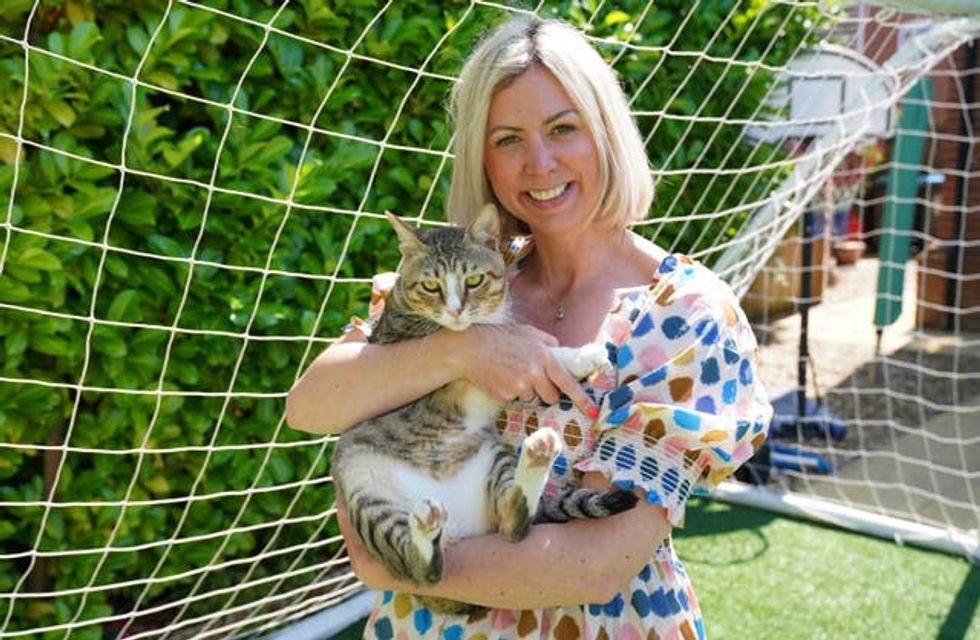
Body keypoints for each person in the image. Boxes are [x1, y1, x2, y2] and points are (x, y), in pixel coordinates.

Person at [286, 15, 772, 640]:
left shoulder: (683, 312)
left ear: (606, 132)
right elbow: (310, 406)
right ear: (481, 158)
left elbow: (595, 564)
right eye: (507, 138)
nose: (538, 164)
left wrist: (395, 566)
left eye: (562, 129)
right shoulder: (463, 284)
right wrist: (466, 349)